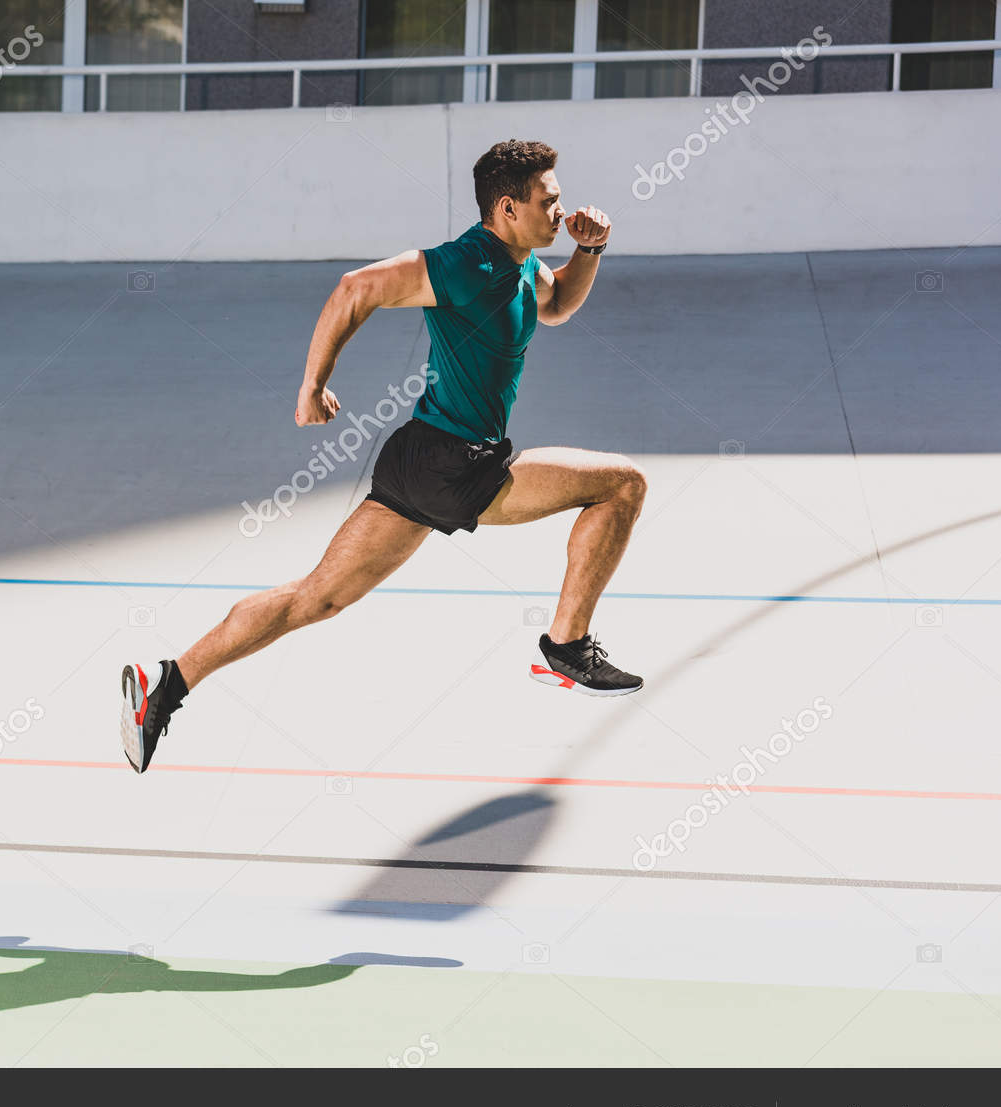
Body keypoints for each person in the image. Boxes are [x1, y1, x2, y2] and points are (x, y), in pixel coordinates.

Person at [121, 140, 648, 774]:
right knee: (623, 484)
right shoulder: (462, 263)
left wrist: (589, 250)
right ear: (507, 208)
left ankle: (167, 685)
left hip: (421, 458)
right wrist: (312, 386)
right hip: (458, 463)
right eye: (549, 201)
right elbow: (355, 288)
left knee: (315, 599)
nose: (560, 212)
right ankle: (565, 645)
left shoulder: (525, 264)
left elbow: (557, 304)